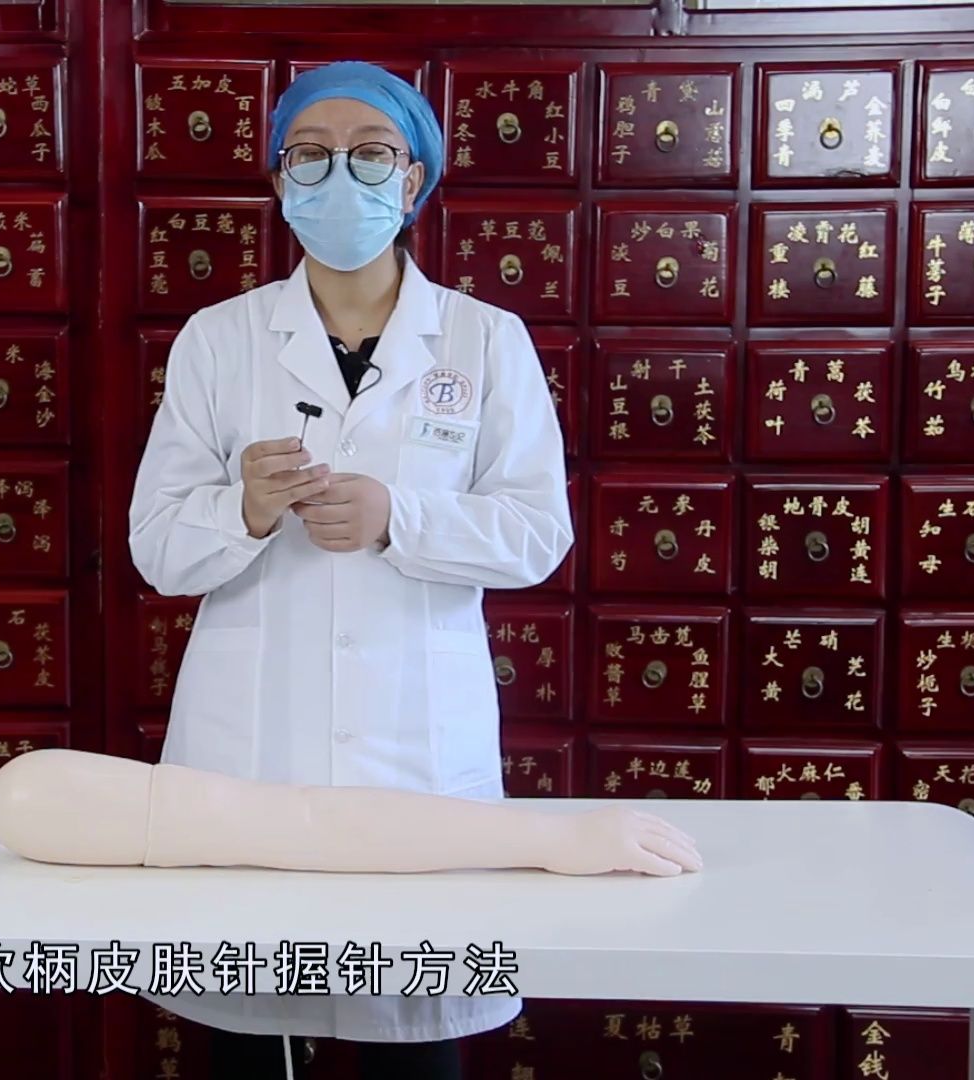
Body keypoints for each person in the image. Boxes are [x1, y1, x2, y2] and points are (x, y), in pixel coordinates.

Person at [127, 60, 576, 1080]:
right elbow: (157, 546)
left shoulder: (485, 340)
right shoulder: (221, 340)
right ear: (280, 180)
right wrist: (244, 510)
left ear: (411, 181)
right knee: (251, 1036)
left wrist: (396, 518)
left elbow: (536, 532)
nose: (341, 176)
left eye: (370, 154)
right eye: (312, 155)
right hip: (254, 745)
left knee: (415, 1038)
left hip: (415, 748)